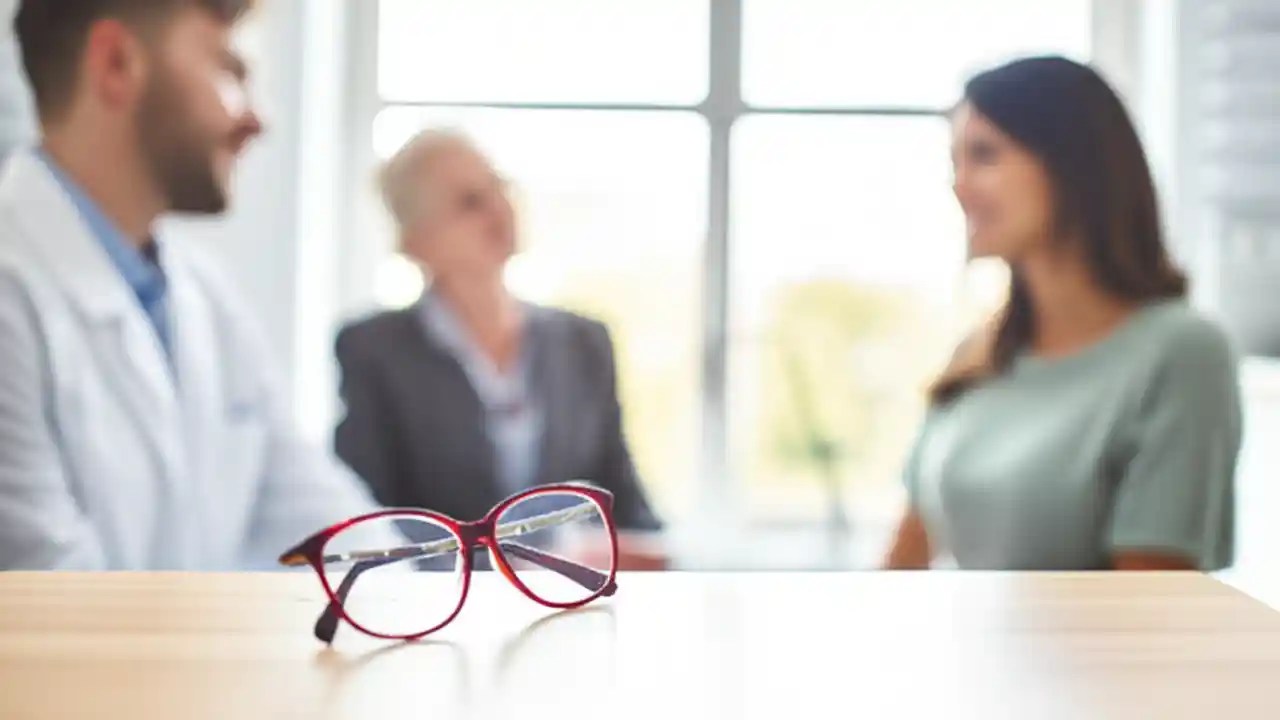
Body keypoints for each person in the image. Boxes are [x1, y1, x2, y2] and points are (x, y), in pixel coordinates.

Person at [0, 0, 384, 569]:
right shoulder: (14, 288)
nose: (257, 121)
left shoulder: (205, 294)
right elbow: (48, 592)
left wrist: (454, 590)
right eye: (228, 69)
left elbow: (332, 523)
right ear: (116, 64)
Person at [883, 56, 1241, 572]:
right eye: (954, 162)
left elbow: (1149, 602)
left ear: (1073, 164)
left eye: (984, 155)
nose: (959, 186)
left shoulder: (1182, 353)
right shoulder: (978, 355)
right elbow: (899, 567)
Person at [335, 129, 665, 566]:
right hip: (441, 599)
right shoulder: (375, 351)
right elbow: (371, 526)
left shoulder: (584, 343)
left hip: (573, 596)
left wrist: (652, 553)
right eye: (469, 202)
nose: (499, 209)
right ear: (415, 242)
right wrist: (526, 559)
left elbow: (627, 506)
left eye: (500, 187)